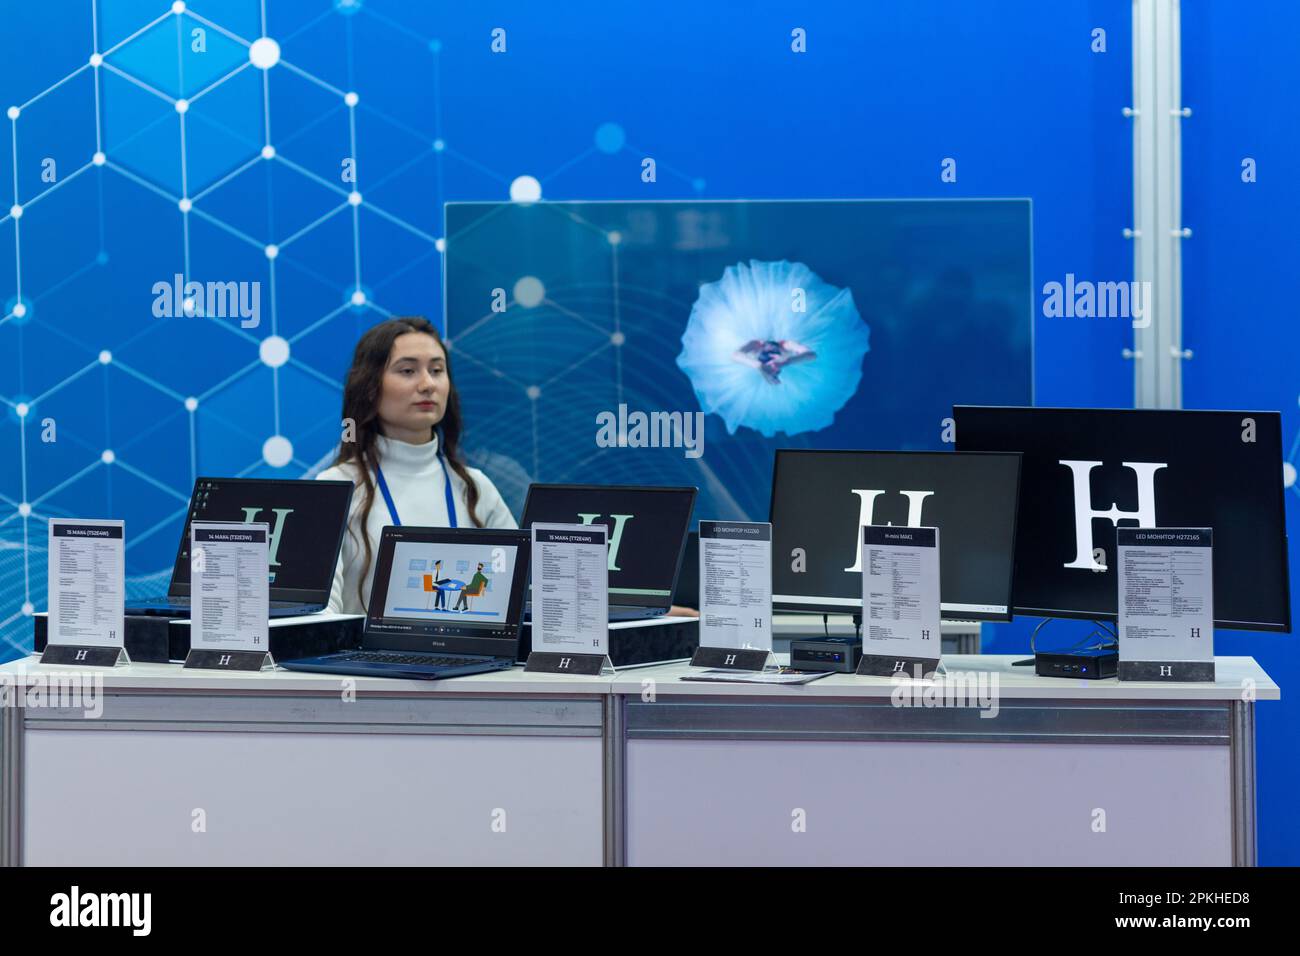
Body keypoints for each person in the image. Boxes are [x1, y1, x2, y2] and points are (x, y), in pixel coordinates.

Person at [318, 317, 516, 614]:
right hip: (365, 660)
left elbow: (520, 594)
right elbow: (320, 614)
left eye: (437, 370)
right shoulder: (335, 487)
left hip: (466, 657)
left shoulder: (475, 487)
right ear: (370, 387)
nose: (427, 384)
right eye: (408, 371)